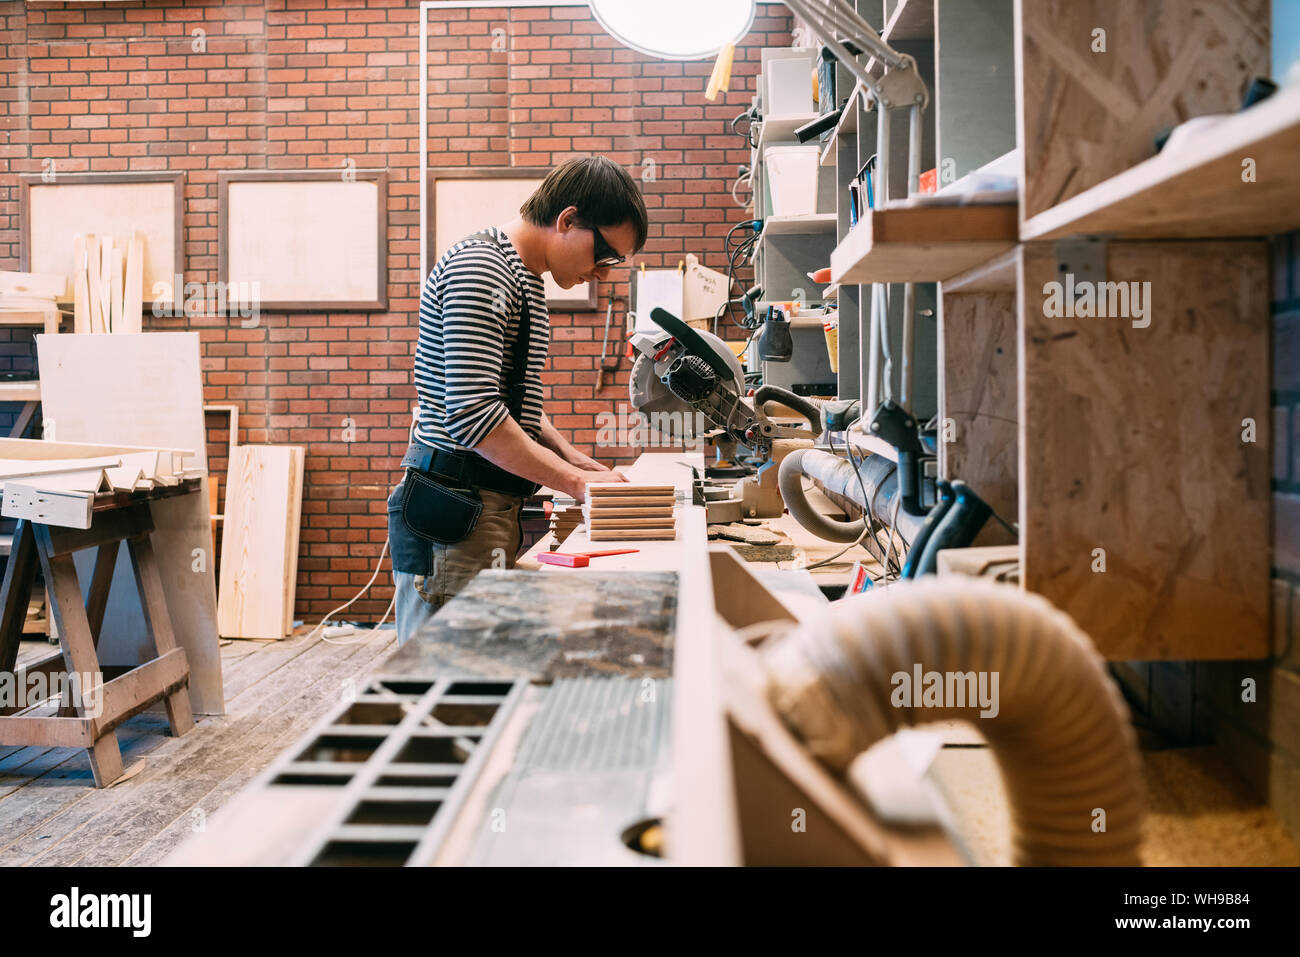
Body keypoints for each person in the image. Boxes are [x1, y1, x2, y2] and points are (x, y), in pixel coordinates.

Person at [388, 155, 649, 645]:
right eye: (605, 255)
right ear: (568, 220)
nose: (603, 274)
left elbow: (513, 403)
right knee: (445, 684)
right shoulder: (483, 270)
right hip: (455, 513)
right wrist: (574, 483)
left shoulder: (521, 275)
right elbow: (474, 417)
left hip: (483, 509)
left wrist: (579, 463)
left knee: (480, 677)